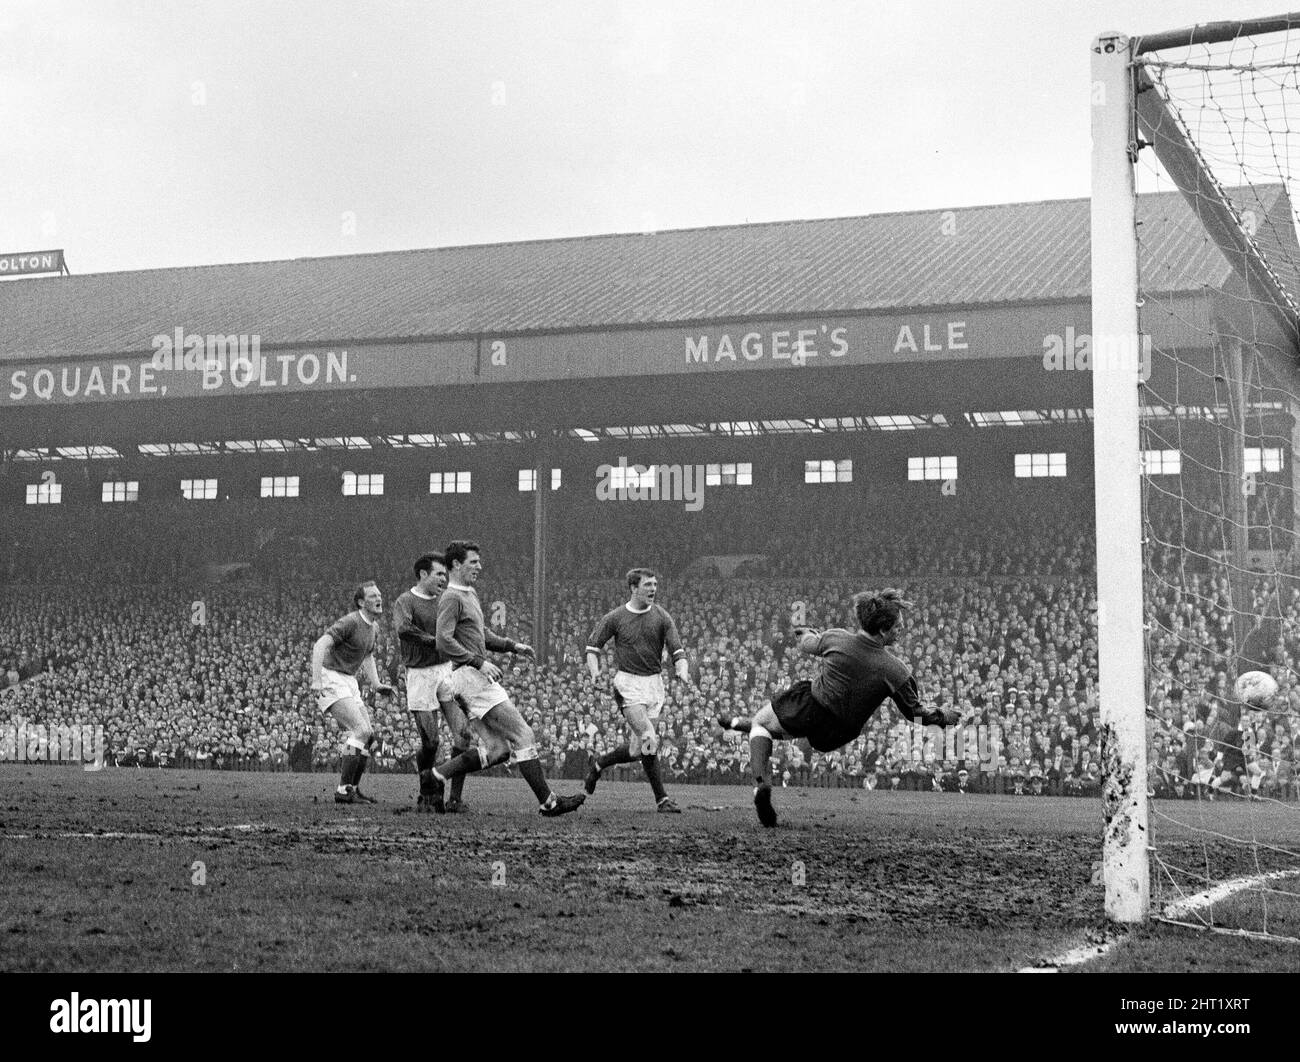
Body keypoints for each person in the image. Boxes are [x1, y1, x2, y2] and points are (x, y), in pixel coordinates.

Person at [718, 589, 963, 826]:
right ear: (882, 630)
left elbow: (806, 644)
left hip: (812, 707)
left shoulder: (837, 638)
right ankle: (737, 723)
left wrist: (804, 630)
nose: (902, 630)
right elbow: (915, 713)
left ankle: (761, 784)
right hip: (839, 732)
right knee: (782, 730)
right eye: (898, 626)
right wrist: (946, 716)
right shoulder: (896, 670)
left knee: (762, 724)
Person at [427, 541, 585, 817]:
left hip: (469, 677)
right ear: (455, 565)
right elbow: (443, 640)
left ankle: (437, 775)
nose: (479, 566)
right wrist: (479, 661)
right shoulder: (451, 597)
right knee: (524, 734)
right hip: (470, 676)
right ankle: (549, 802)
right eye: (473, 561)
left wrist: (512, 646)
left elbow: (481, 633)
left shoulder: (469, 594)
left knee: (498, 750)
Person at [583, 567, 690, 813]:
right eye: (647, 585)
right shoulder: (616, 617)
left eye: (655, 584)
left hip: (654, 685)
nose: (653, 589)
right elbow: (592, 647)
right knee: (649, 737)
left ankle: (599, 764)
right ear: (633, 588)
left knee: (636, 750)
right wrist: (595, 673)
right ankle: (662, 799)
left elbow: (677, 650)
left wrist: (682, 669)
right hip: (628, 684)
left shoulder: (662, 616)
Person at [391, 552, 474, 813]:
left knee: (464, 734)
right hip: (420, 675)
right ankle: (427, 791)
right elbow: (403, 629)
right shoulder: (406, 601)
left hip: (445, 670)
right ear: (423, 574)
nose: (444, 579)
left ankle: (455, 798)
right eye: (439, 574)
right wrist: (435, 640)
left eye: (445, 575)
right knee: (431, 742)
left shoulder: (444, 600)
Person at [310, 581, 396, 804]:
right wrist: (316, 680)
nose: (379, 599)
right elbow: (320, 645)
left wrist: (376, 684)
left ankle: (352, 789)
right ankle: (342, 790)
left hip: (349, 680)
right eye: (373, 596)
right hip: (331, 676)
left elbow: (367, 655)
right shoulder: (350, 622)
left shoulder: (374, 627)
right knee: (359, 730)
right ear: (361, 602)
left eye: (380, 594)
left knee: (367, 736)